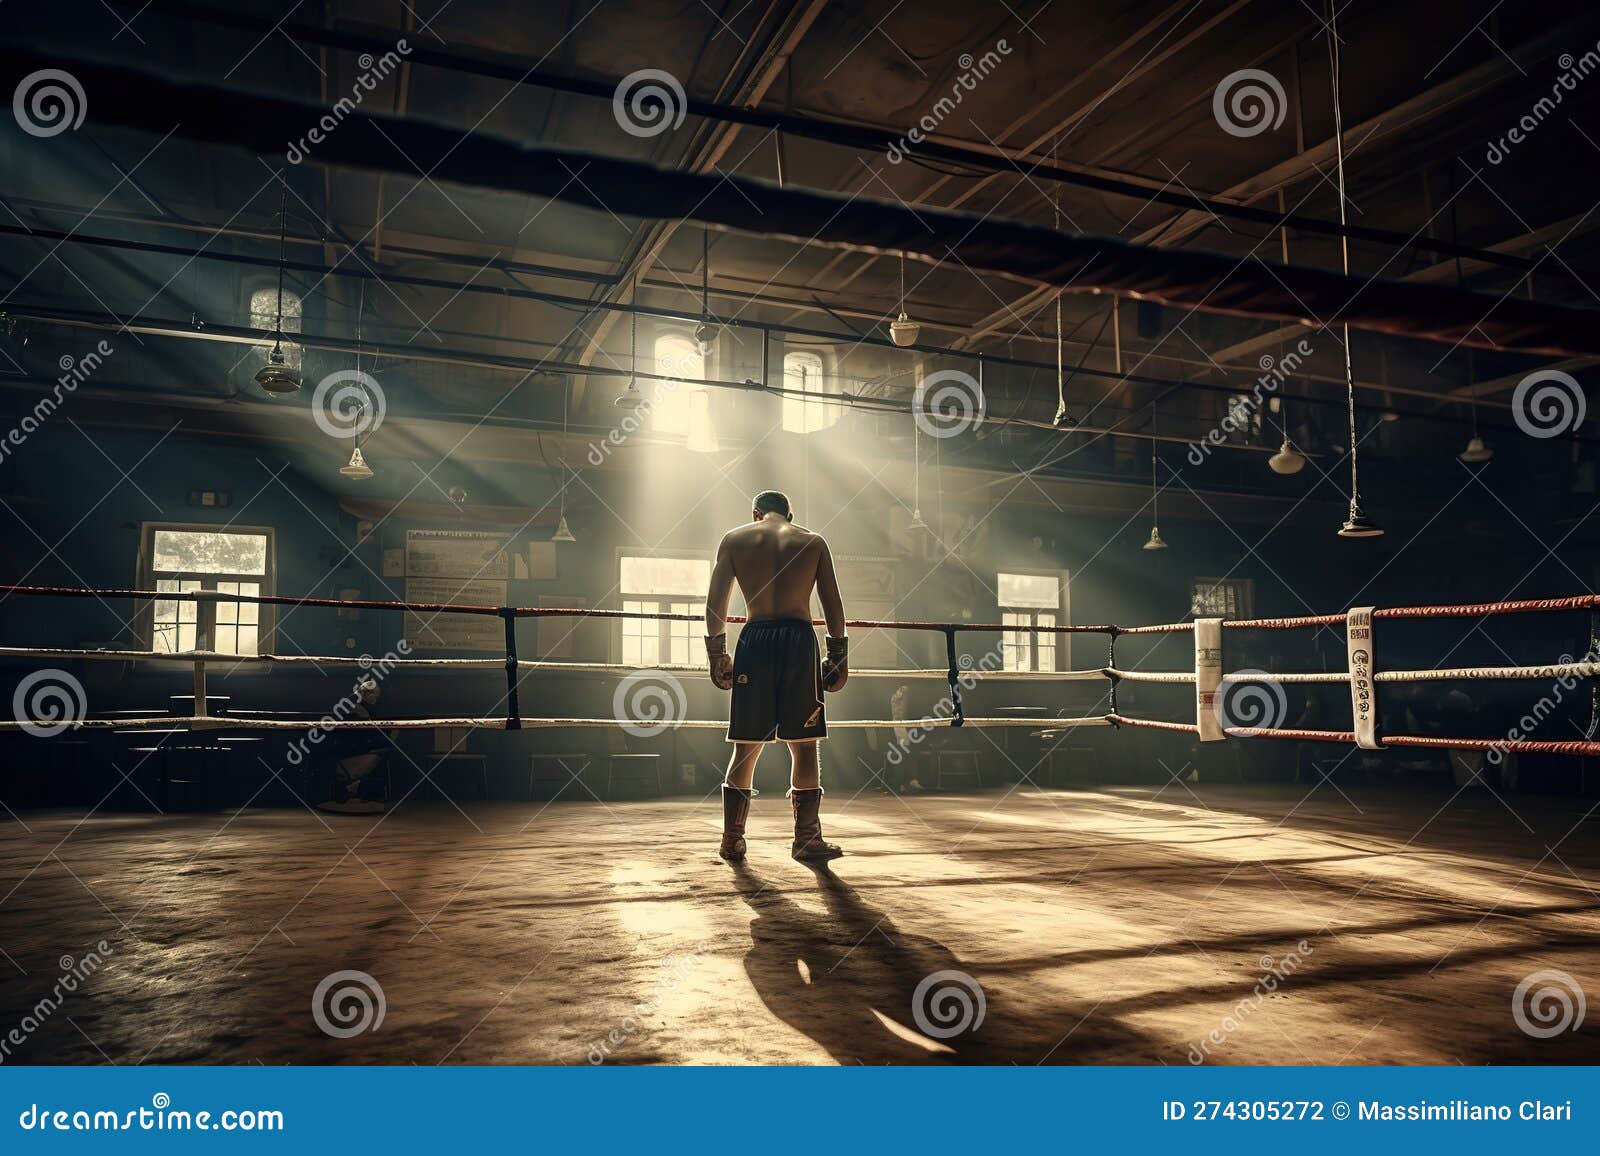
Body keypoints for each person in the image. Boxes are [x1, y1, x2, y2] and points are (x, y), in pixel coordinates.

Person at [705, 490, 848, 864]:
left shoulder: (735, 539)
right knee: (805, 743)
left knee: (746, 744)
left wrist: (717, 654)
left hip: (755, 640)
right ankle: (806, 840)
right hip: (799, 642)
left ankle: (732, 840)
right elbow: (832, 602)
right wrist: (838, 655)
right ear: (790, 513)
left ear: (756, 514)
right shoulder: (813, 541)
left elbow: (715, 601)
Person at [317, 677, 391, 815]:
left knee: (384, 749)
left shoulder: (361, 706)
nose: (377, 697)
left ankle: (353, 788)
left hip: (354, 746)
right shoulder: (353, 706)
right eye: (375, 694)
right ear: (366, 693)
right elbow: (359, 732)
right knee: (382, 750)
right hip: (344, 751)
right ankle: (350, 786)